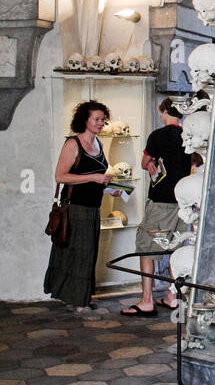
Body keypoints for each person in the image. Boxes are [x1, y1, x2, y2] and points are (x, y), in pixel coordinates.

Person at [123, 98, 193, 317]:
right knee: (175, 247)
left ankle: (146, 300)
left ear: (163, 111)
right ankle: (173, 296)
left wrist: (152, 164)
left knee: (147, 247)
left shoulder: (157, 136)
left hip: (161, 201)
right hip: (185, 202)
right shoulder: (189, 135)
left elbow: (145, 163)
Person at [44, 100, 112, 316]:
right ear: (85, 120)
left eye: (103, 119)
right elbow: (60, 176)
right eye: (97, 119)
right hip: (76, 209)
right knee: (79, 254)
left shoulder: (98, 144)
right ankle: (80, 302)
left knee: (87, 254)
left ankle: (78, 297)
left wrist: (109, 186)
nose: (101, 123)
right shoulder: (73, 144)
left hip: (92, 208)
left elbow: (95, 178)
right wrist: (94, 177)